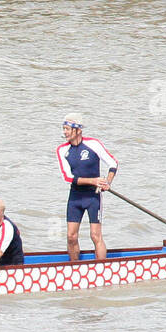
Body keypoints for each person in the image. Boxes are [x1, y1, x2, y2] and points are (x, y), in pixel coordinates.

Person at [56, 112, 118, 261]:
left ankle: (102, 268)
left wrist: (107, 182)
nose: (64, 132)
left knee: (95, 235)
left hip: (93, 196)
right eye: (63, 129)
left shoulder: (93, 144)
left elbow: (112, 163)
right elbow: (68, 177)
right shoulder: (62, 150)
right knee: (71, 236)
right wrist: (94, 180)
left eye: (67, 129)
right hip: (75, 197)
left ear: (78, 130)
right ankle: (74, 269)